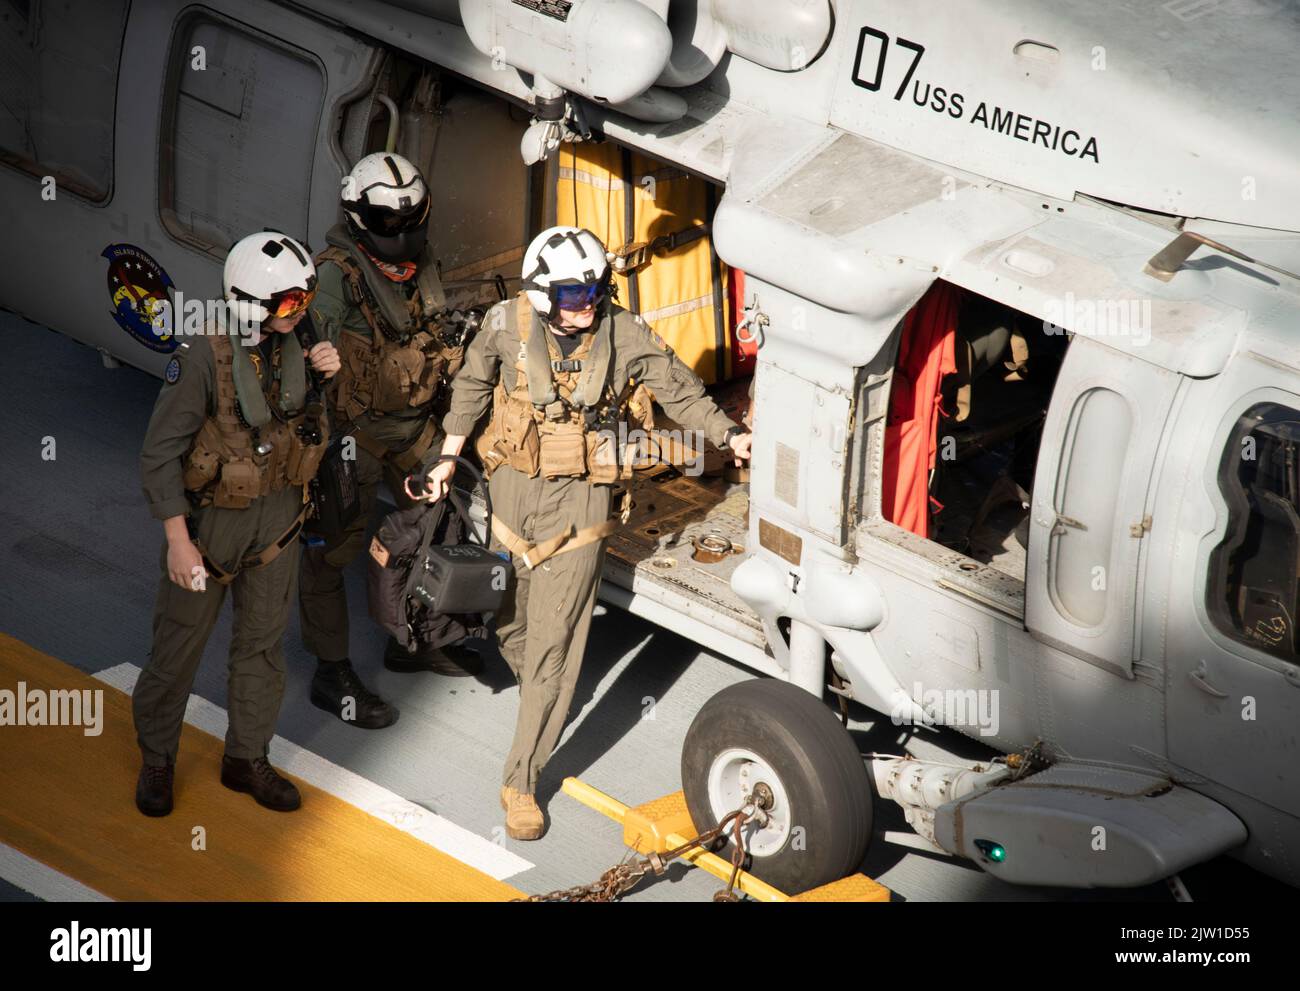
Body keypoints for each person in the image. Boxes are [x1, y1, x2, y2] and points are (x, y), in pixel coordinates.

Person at [421, 226, 753, 839]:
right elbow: (470, 384)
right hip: (510, 492)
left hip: (583, 502)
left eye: (596, 290)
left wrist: (727, 432)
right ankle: (540, 693)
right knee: (507, 618)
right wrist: (447, 455)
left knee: (555, 643)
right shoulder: (504, 323)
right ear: (543, 293)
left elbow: (678, 388)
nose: (589, 303)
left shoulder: (621, 333)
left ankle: (521, 779)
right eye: (574, 293)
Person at [134, 231, 340, 816]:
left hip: (278, 522)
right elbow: (159, 455)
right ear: (249, 301)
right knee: (177, 649)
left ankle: (245, 758)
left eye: (304, 298)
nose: (300, 311)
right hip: (210, 529)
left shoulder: (301, 334)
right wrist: (178, 542)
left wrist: (328, 375)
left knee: (263, 647)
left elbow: (306, 421)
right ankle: (157, 759)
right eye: (286, 303)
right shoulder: (203, 354)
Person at [298, 151, 480, 732]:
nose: (403, 236)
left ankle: (413, 639)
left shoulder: (421, 263)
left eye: (412, 222)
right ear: (359, 219)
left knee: (436, 527)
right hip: (353, 438)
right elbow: (304, 362)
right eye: (389, 225)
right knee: (335, 550)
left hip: (415, 427)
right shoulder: (334, 277)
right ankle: (331, 671)